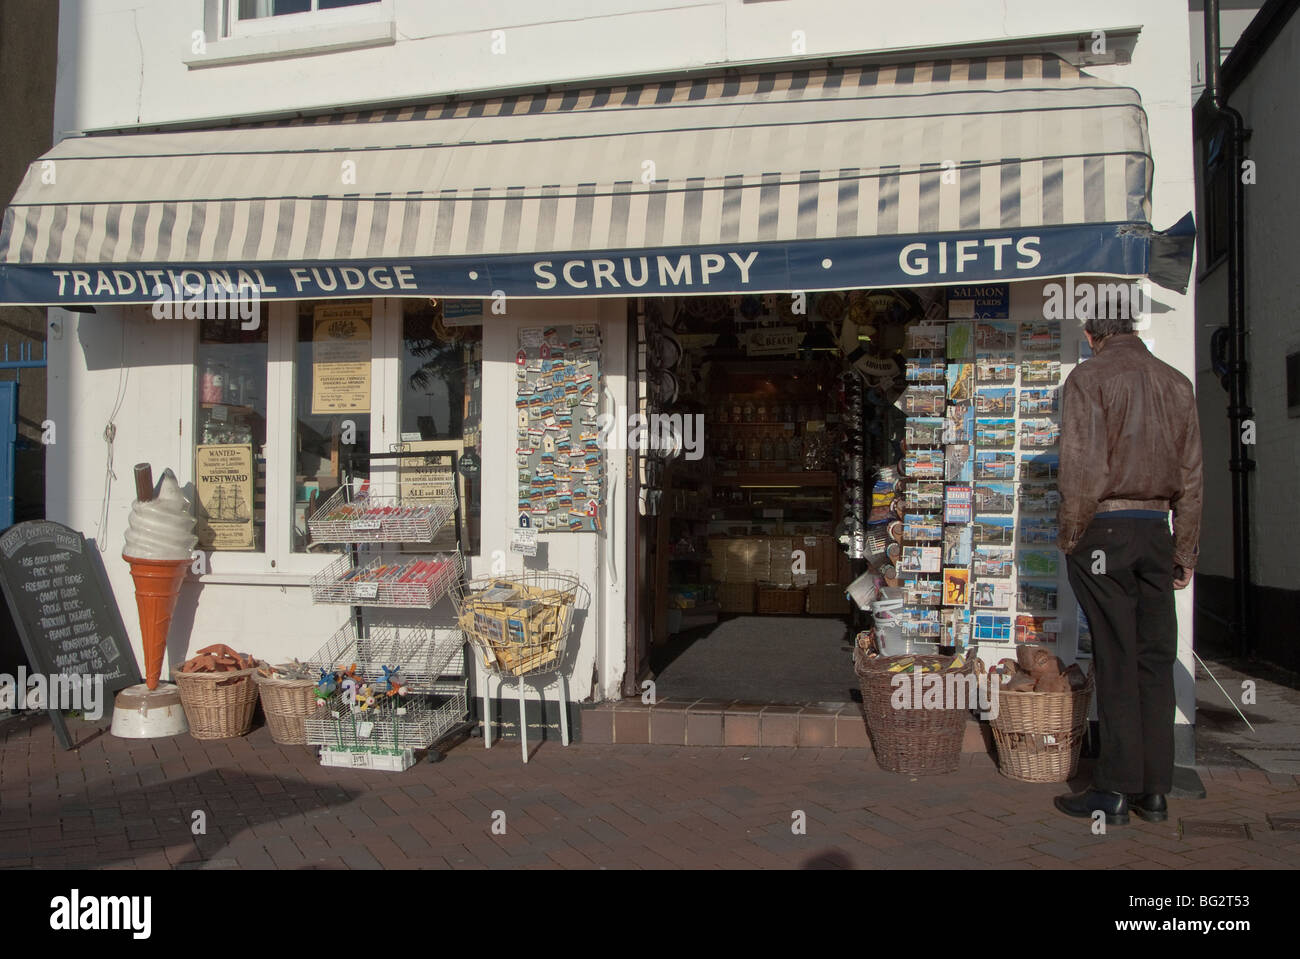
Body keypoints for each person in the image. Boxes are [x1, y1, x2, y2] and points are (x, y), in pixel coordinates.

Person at [1054, 311, 1203, 826]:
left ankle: (1114, 789)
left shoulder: (1088, 377)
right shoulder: (1176, 382)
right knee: (1153, 660)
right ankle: (1154, 790)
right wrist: (1184, 550)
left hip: (1106, 530)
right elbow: (1193, 475)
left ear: (1093, 335)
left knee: (1116, 659)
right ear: (1133, 328)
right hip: (1155, 530)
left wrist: (1071, 538)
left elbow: (1080, 463)